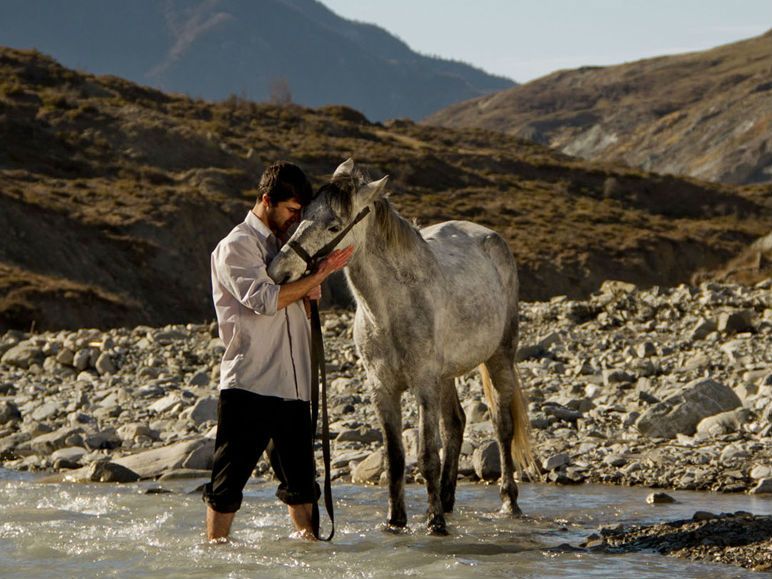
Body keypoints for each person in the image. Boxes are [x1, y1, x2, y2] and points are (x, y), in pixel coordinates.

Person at [203, 161, 354, 541]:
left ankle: (311, 558)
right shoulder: (236, 246)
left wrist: (310, 292)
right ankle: (215, 557)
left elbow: (295, 310)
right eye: (291, 210)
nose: (296, 219)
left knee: (302, 488)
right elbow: (265, 300)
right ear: (267, 200)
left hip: (293, 387)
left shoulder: (286, 249)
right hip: (250, 385)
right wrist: (317, 277)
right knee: (226, 489)